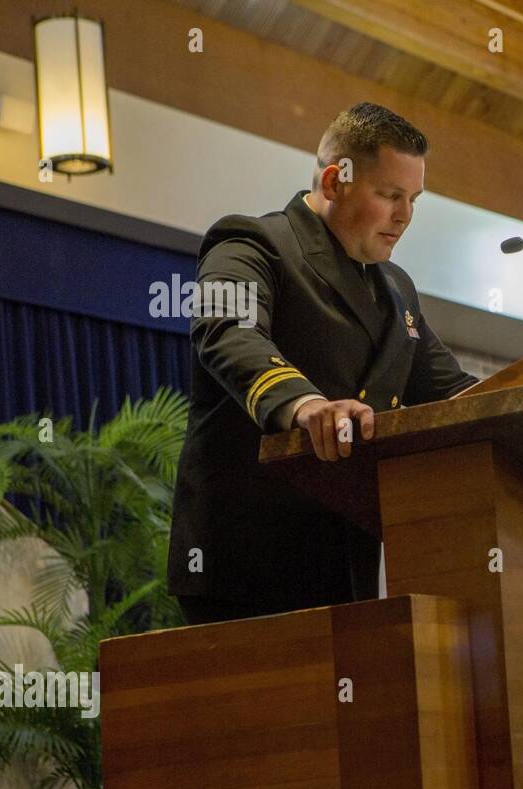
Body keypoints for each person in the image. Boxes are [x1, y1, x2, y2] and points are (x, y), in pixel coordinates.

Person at [167, 102, 478, 625]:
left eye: (413, 199)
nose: (405, 216)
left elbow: (455, 390)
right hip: (247, 564)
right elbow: (228, 332)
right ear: (335, 181)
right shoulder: (253, 242)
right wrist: (303, 402)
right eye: (390, 195)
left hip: (344, 564)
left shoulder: (397, 287)